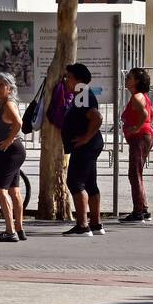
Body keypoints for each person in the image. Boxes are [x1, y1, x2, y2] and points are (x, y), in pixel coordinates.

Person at [60, 63, 105, 237]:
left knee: (75, 182)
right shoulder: (81, 94)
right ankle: (96, 224)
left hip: (86, 146)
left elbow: (97, 117)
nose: (65, 81)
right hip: (89, 145)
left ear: (77, 79)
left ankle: (82, 225)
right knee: (90, 184)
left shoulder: (83, 95)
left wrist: (86, 137)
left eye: (68, 77)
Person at [0, 73, 26, 242]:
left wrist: (8, 140)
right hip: (12, 151)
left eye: (1, 85)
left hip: (10, 152)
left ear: (9, 88)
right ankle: (19, 228)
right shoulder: (3, 105)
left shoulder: (9, 104)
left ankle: (10, 231)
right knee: (14, 191)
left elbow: (19, 123)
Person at [120, 68, 153, 223]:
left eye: (130, 77)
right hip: (143, 136)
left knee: (134, 175)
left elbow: (146, 114)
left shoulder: (136, 97)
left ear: (137, 82)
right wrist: (146, 126)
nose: (126, 79)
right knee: (137, 174)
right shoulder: (142, 97)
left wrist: (137, 127)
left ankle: (138, 211)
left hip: (139, 138)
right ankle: (143, 208)